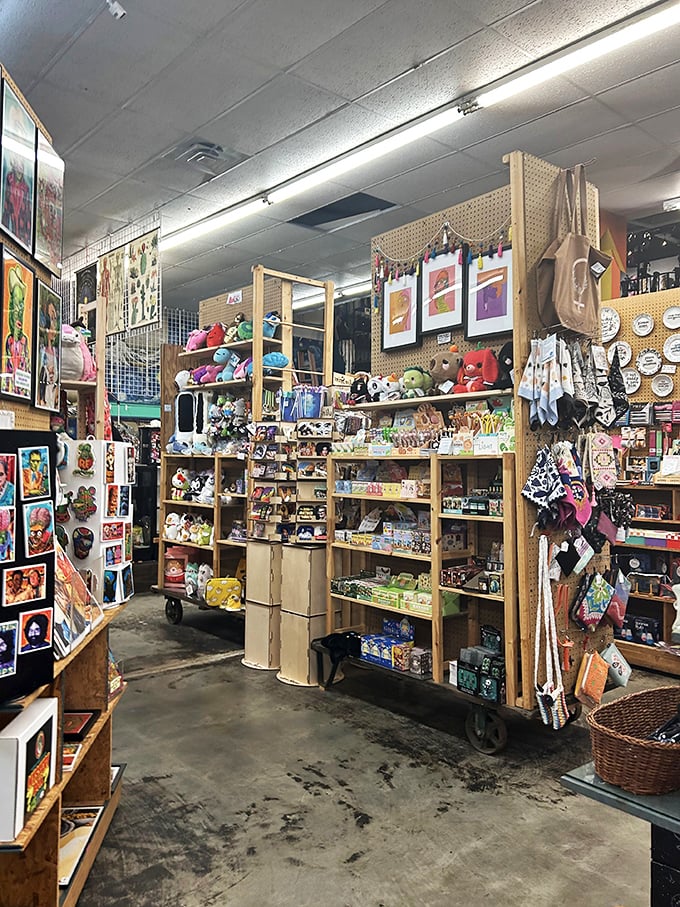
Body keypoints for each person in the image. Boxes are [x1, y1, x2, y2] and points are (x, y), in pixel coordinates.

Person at [4, 266, 30, 396]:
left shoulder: (25, 341)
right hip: (10, 390)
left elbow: (27, 366)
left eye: (21, 306)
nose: (18, 311)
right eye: (14, 306)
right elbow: (6, 367)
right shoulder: (8, 340)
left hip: (21, 388)